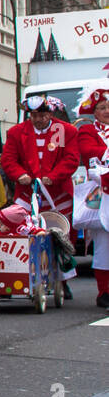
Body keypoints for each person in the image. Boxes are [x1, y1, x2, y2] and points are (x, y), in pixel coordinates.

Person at [0, 95, 78, 299]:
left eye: (42, 115)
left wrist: (53, 177)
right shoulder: (17, 132)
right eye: (34, 115)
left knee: (60, 237)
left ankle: (63, 280)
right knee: (17, 232)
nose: (38, 119)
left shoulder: (63, 130)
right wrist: (20, 175)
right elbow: (8, 159)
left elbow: (71, 159)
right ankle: (13, 277)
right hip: (28, 194)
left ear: (50, 114)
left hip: (57, 194)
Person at [76, 86, 109, 307]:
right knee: (103, 246)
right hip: (101, 194)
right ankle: (104, 292)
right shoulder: (87, 131)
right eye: (102, 107)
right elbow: (89, 153)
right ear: (94, 112)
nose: (107, 111)